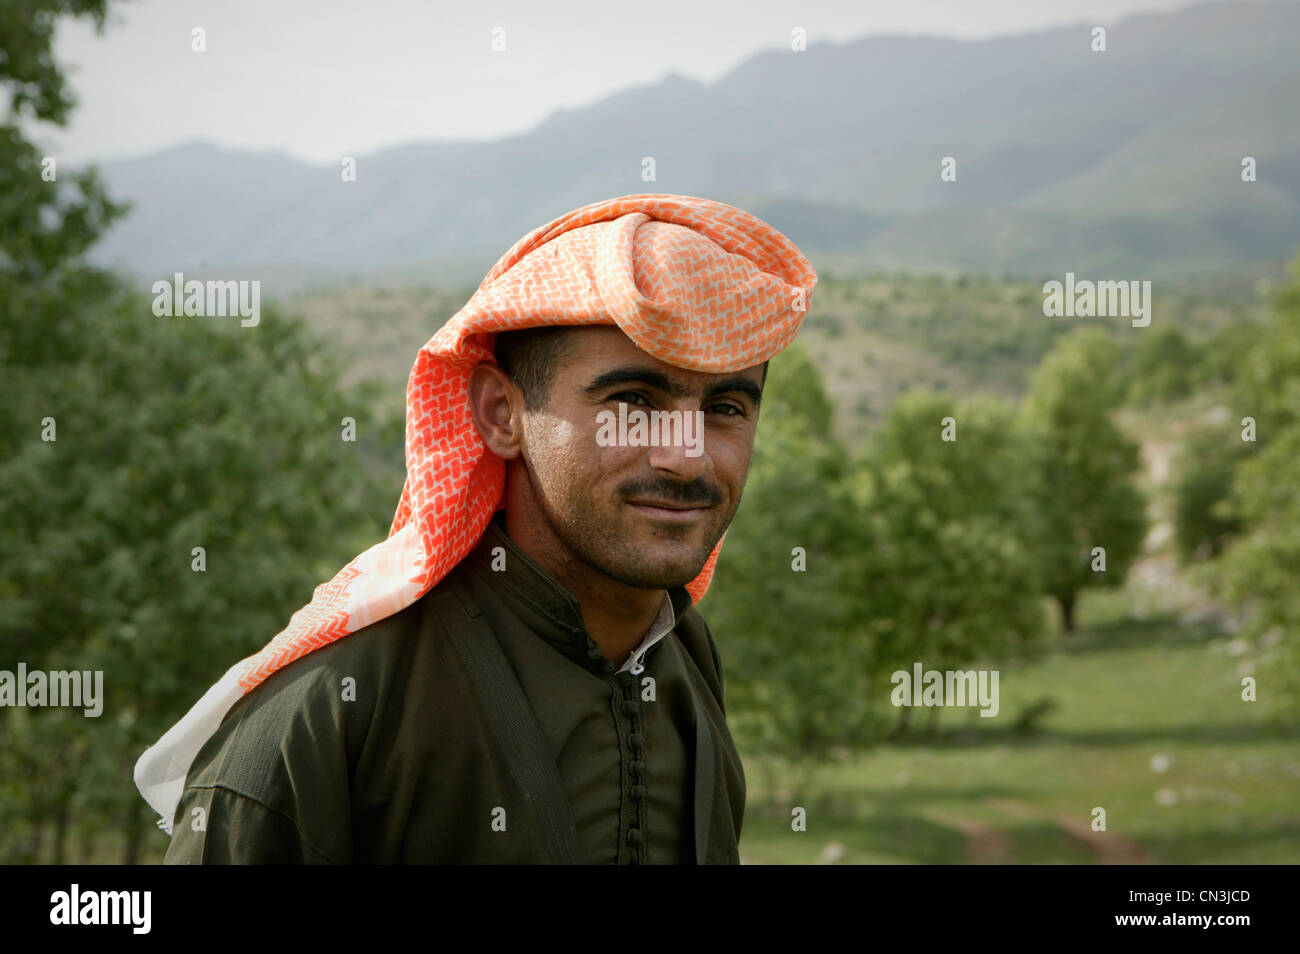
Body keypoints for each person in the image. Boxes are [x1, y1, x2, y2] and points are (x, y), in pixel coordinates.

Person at [134, 193, 817, 864]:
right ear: (500, 413)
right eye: (633, 401)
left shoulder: (684, 655)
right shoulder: (334, 709)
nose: (686, 453)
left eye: (726, 406)